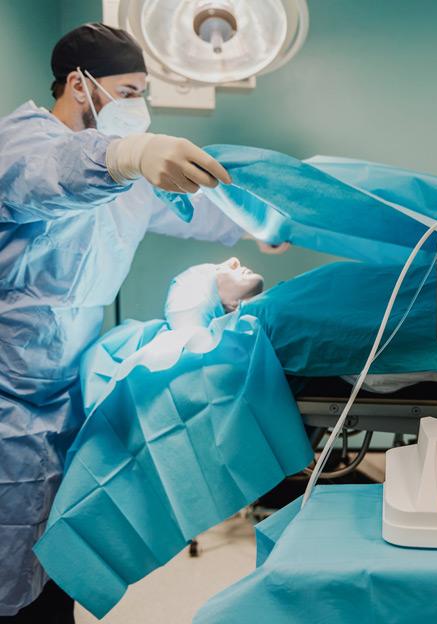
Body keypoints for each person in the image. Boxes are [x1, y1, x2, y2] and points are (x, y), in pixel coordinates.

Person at [0, 23, 264, 621]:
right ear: (79, 85)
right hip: (9, 389)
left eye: (142, 93)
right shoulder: (23, 144)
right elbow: (51, 174)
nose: (136, 107)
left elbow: (194, 206)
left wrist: (263, 220)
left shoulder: (126, 173)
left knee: (56, 546)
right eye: (126, 92)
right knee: (9, 554)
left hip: (68, 385)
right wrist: (126, 155)